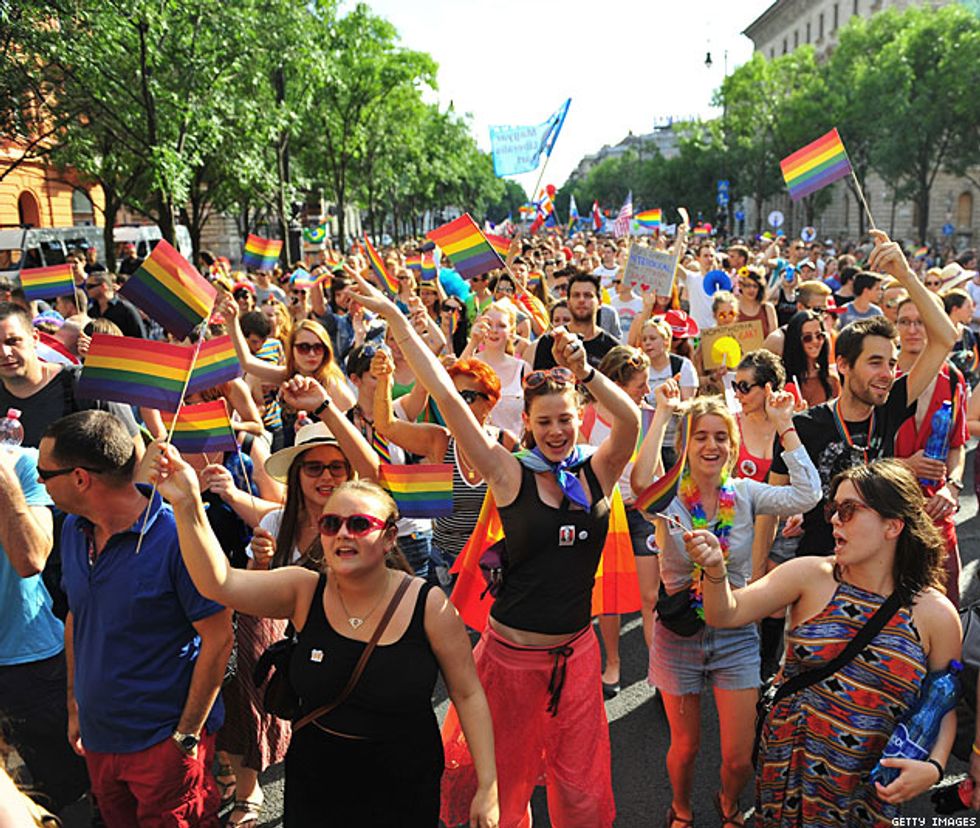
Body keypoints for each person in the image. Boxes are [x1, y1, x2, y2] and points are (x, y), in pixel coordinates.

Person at [348, 271, 639, 827]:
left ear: (580, 418)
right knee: (503, 795)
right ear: (526, 423)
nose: (556, 431)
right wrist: (399, 320)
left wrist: (584, 372)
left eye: (565, 420)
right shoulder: (508, 473)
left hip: (575, 660)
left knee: (580, 792)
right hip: (508, 663)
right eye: (544, 422)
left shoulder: (599, 470)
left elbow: (627, 418)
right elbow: (443, 395)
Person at [149, 447, 499, 828]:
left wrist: (489, 785)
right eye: (331, 524)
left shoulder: (427, 605)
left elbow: (467, 693)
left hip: (404, 785)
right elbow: (218, 583)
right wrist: (186, 504)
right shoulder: (303, 589)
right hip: (316, 784)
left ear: (389, 537)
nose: (343, 534)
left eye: (359, 524)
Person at [688, 460, 961, 827]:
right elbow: (726, 613)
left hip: (866, 787)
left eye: (848, 511)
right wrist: (715, 572)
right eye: (833, 509)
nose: (833, 519)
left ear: (893, 526)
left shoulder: (936, 615)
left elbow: (942, 701)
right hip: (787, 768)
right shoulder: (810, 574)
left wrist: (934, 765)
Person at [631, 391, 821, 828]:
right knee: (686, 747)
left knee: (738, 757)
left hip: (735, 632)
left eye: (720, 437)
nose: (711, 446)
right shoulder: (669, 497)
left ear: (733, 447)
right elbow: (640, 482)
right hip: (679, 634)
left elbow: (808, 494)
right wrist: (662, 413)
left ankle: (729, 802)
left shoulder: (748, 493)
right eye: (700, 437)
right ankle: (680, 808)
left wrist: (782, 422)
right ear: (685, 446)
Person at [43, 410, 233, 827]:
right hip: (99, 739)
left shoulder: (177, 537)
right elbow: (78, 613)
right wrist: (76, 706)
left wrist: (185, 737)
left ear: (79, 478)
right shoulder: (74, 529)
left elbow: (219, 639)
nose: (39, 482)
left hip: (162, 745)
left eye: (45, 472)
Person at [765, 231, 957, 561]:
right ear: (843, 364)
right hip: (819, 571)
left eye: (892, 363)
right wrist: (757, 579)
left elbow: (944, 339)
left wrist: (905, 275)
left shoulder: (890, 404)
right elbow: (769, 511)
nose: (887, 373)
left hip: (880, 567)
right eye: (875, 362)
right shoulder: (804, 426)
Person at [371, 353, 518, 585]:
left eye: (467, 397)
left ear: (489, 403)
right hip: (446, 565)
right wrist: (384, 380)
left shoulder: (507, 443)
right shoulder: (440, 441)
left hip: (494, 565)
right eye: (452, 397)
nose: (457, 404)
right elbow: (385, 425)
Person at [0, 444, 89, 816]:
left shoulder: (19, 462)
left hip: (27, 659)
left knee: (64, 790)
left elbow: (31, 559)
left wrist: (4, 481)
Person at [580, 346, 659, 691]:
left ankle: (659, 669)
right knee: (606, 598)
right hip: (602, 514)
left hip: (639, 511)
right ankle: (612, 662)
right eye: (639, 385)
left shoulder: (647, 416)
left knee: (651, 597)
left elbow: (654, 475)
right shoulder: (585, 416)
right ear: (615, 385)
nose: (646, 391)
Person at [891, 295, 967, 607]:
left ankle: (947, 659)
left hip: (937, 512)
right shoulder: (882, 377)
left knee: (946, 601)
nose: (912, 329)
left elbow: (957, 445)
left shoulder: (952, 379)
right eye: (904, 322)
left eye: (921, 321)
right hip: (890, 512)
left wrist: (952, 487)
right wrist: (905, 465)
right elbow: (859, 457)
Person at [524, 271, 619, 370]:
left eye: (588, 295)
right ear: (568, 303)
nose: (581, 300)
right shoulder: (550, 341)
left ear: (599, 302)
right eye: (576, 295)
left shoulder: (611, 348)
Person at [459, 301, 526, 438]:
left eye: (501, 326)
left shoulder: (523, 368)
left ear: (511, 332)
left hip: (515, 451)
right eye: (489, 325)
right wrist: (473, 342)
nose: (494, 330)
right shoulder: (471, 363)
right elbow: (452, 385)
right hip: (477, 447)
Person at [781, 310, 841, 407]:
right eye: (807, 338)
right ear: (795, 341)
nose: (815, 341)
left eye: (819, 336)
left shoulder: (831, 379)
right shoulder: (783, 380)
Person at [84, 272, 145, 339]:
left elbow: (141, 337)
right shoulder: (92, 311)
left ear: (103, 286)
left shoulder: (126, 309)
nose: (87, 290)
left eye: (89, 286)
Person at [735, 266, 777, 337]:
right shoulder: (734, 308)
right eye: (747, 285)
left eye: (755, 286)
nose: (752, 290)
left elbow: (773, 337)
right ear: (740, 285)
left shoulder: (767, 308)